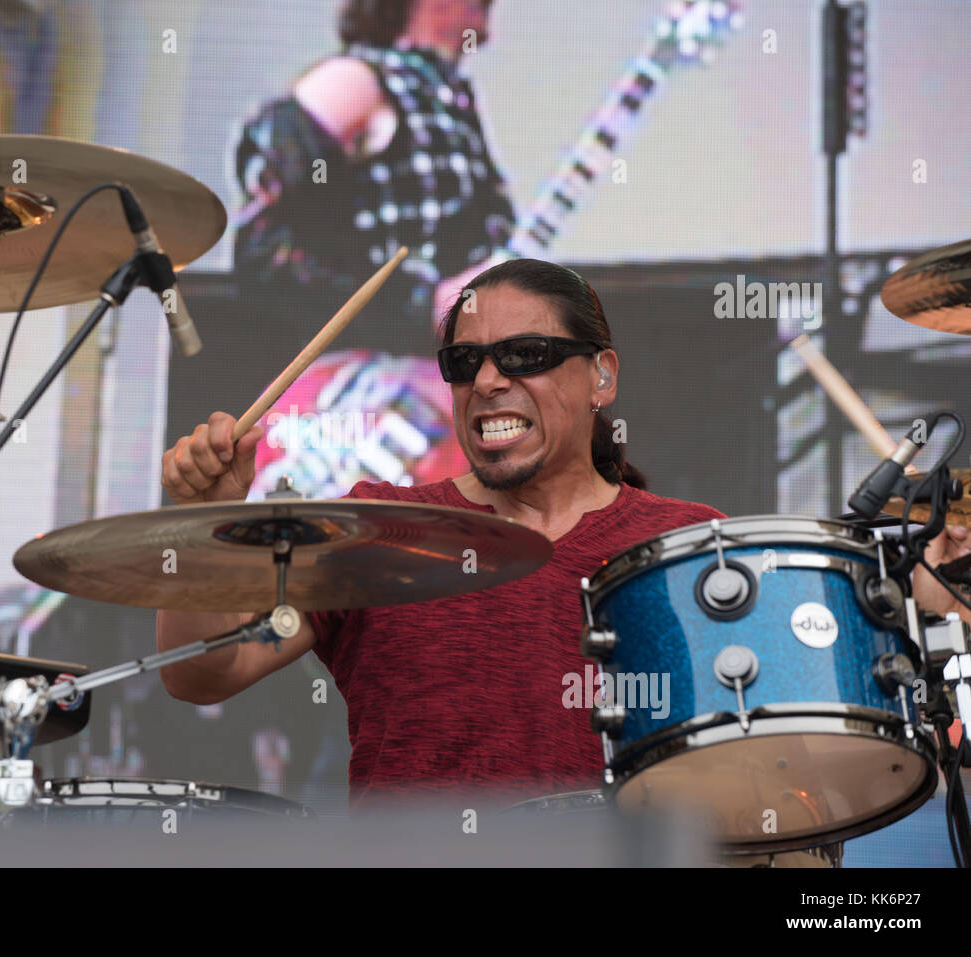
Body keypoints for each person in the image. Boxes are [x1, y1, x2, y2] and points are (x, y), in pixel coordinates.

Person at [157, 258, 730, 809]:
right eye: (464, 361)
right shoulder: (377, 526)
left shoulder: (689, 540)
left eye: (524, 355)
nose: (485, 381)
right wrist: (204, 520)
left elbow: (771, 763)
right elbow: (201, 672)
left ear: (601, 376)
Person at [231, 0, 514, 332]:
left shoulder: (447, 96)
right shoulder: (353, 82)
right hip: (371, 366)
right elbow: (267, 259)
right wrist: (421, 303)